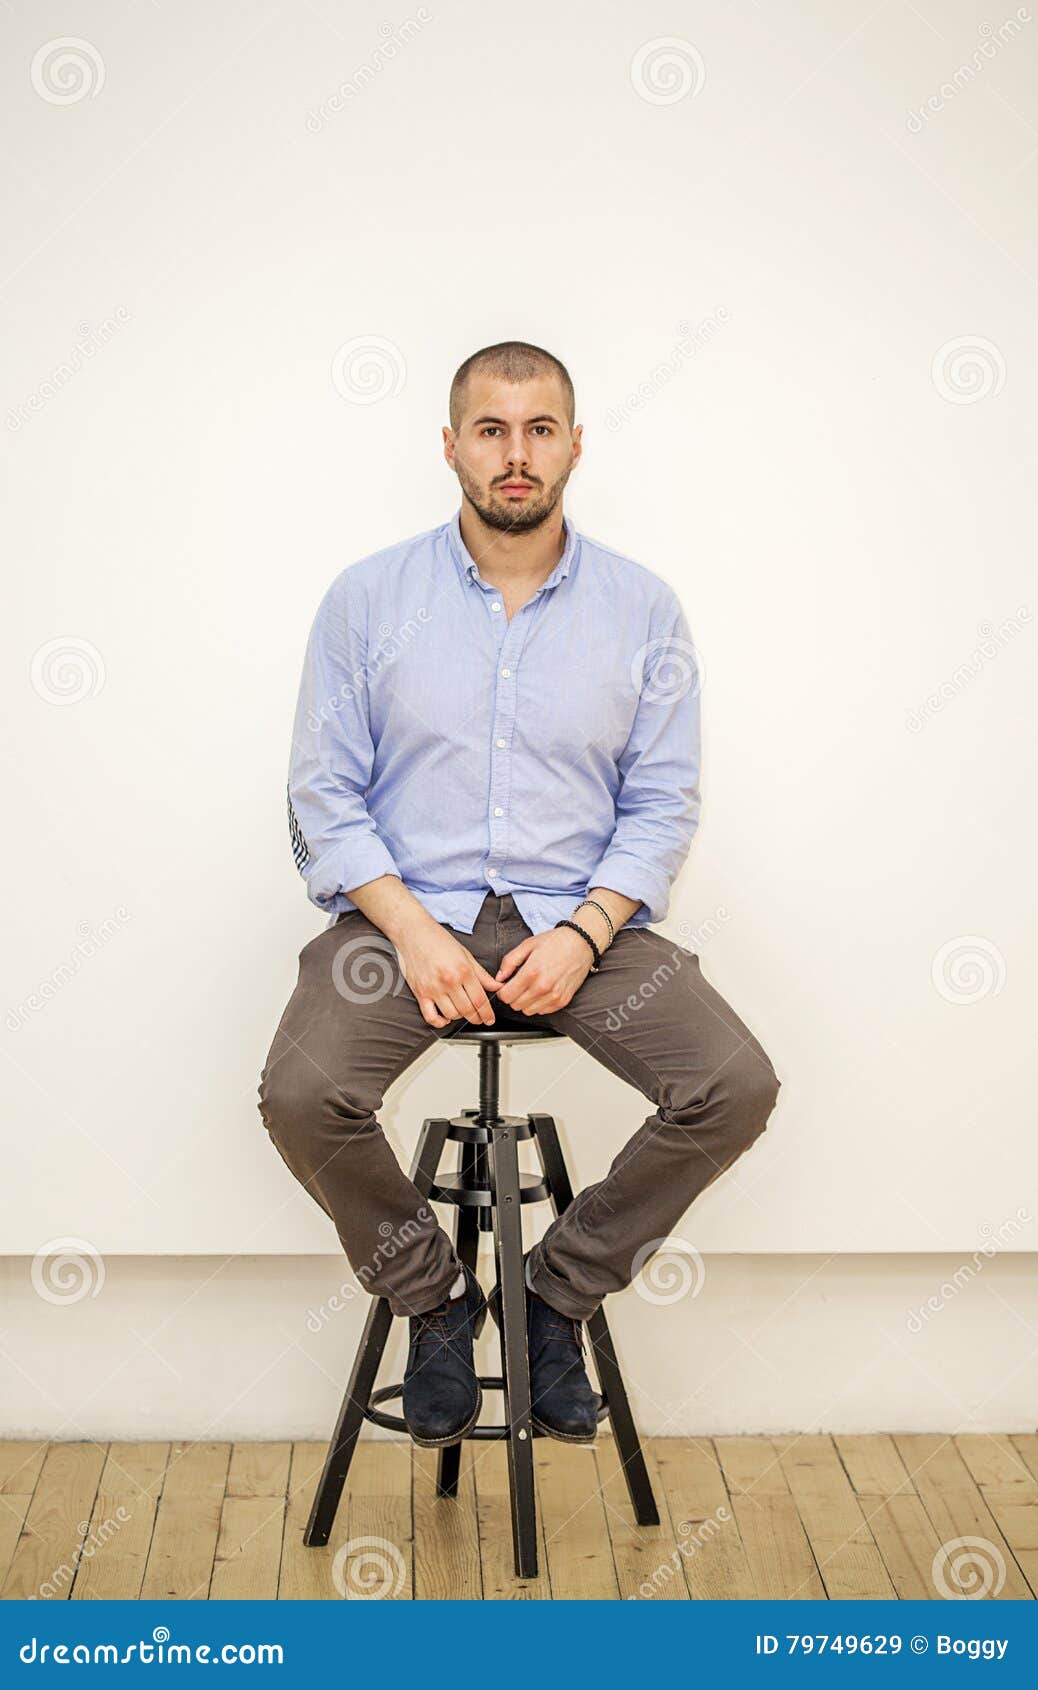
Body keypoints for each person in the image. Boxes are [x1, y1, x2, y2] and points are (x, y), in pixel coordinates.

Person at [258, 339, 781, 1448]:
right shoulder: (365, 600)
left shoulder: (643, 609)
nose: (515, 454)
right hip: (402, 918)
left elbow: (663, 804)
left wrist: (589, 933)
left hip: (580, 920)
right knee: (303, 1096)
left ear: (575, 445)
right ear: (450, 444)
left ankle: (554, 1292)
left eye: (539, 429)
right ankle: (437, 1304)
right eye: (491, 429)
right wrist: (409, 929)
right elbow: (322, 792)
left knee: (732, 1084)